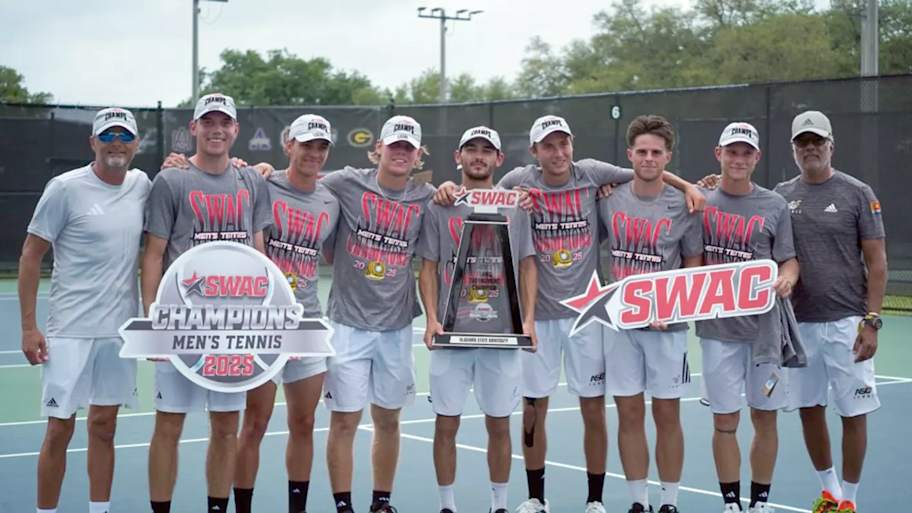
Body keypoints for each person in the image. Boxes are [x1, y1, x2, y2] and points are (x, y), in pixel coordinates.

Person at [438, 115, 703, 513]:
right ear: (534, 152)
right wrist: (446, 187)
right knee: (533, 409)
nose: (558, 153)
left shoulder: (592, 173)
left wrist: (689, 186)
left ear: (572, 145)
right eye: (548, 146)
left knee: (592, 408)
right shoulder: (515, 183)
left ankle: (595, 499)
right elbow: (474, 193)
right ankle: (535, 496)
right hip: (536, 316)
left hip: (588, 314)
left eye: (563, 144)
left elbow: (646, 170)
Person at [141, 93, 271, 513]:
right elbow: (153, 254)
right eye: (207, 122)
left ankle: (217, 507)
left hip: (235, 326)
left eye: (224, 123)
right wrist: (153, 323)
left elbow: (258, 253)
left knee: (226, 425)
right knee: (169, 423)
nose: (216, 129)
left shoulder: (251, 180)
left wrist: (262, 319)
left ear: (235, 130)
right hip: (181, 321)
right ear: (193, 128)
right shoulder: (171, 181)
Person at [20, 107, 149, 513]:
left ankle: (100, 510)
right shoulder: (64, 188)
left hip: (117, 331)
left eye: (124, 136)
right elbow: (30, 255)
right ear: (92, 142)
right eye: (107, 136)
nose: (116, 143)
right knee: (60, 430)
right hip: (69, 331)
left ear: (136, 145)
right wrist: (29, 328)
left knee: (104, 427)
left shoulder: (143, 185)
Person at [416, 126, 538, 513]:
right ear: (458, 156)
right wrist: (432, 319)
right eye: (471, 149)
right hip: (453, 334)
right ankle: (447, 506)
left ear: (499, 159)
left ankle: (499, 505)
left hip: (500, 334)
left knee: (499, 424)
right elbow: (429, 266)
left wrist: (529, 320)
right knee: (446, 423)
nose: (479, 156)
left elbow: (527, 263)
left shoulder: (516, 205)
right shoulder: (441, 204)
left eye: (487, 150)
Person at [320, 115, 435, 513]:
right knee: (345, 421)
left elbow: (476, 204)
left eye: (408, 148)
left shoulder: (427, 196)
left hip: (396, 327)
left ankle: (381, 502)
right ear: (379, 150)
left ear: (418, 155)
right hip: (347, 325)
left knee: (388, 421)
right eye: (394, 146)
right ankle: (342, 505)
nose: (401, 153)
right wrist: (263, 169)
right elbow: (297, 179)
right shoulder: (346, 183)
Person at [775, 111, 886, 513]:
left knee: (853, 412)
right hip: (799, 324)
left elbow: (877, 262)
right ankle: (830, 493)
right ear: (794, 149)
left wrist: (871, 321)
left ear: (830, 145)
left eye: (817, 142)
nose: (810, 149)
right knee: (809, 410)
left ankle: (850, 503)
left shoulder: (857, 193)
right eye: (803, 143)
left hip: (848, 324)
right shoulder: (780, 195)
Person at [232, 114, 340, 513]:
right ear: (287, 144)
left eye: (321, 146)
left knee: (305, 424)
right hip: (262, 324)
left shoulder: (331, 199)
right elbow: (214, 172)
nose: (313, 153)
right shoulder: (260, 183)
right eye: (306, 144)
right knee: (255, 424)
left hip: (308, 322)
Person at [599, 115, 703, 513]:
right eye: (641, 152)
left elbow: (693, 261)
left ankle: (669, 502)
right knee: (628, 412)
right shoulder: (609, 196)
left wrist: (673, 303)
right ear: (629, 155)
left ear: (667, 156)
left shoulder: (683, 204)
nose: (648, 158)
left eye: (655, 152)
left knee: (666, 413)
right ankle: (638, 501)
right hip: (621, 324)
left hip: (667, 327)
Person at [695, 122, 799, 513]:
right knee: (725, 422)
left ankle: (759, 502)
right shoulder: (700, 197)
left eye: (746, 153)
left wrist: (786, 278)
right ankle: (731, 503)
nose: (738, 159)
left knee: (765, 417)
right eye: (731, 151)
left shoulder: (774, 205)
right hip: (718, 331)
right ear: (718, 154)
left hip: (765, 333)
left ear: (756, 158)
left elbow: (788, 259)